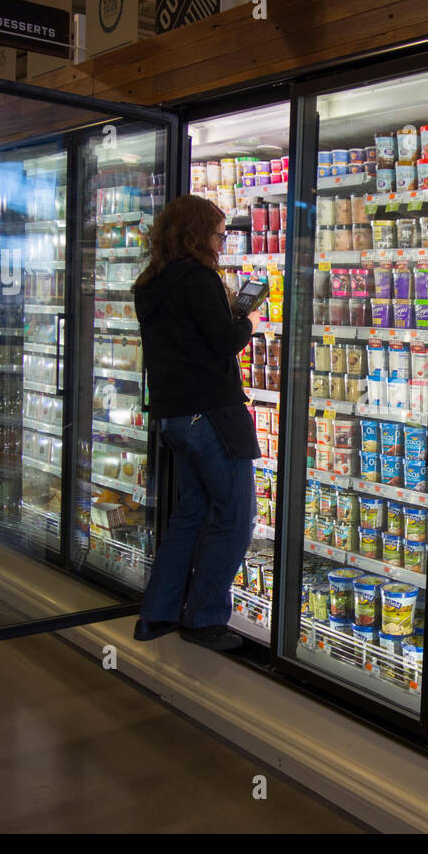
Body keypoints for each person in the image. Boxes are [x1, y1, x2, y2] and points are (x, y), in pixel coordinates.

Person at [131, 194, 260, 649]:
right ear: (197, 234)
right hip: (211, 415)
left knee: (192, 512)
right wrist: (242, 318)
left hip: (174, 416)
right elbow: (223, 342)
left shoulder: (151, 282)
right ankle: (203, 619)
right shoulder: (198, 279)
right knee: (237, 516)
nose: (221, 243)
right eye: (219, 234)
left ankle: (158, 613)